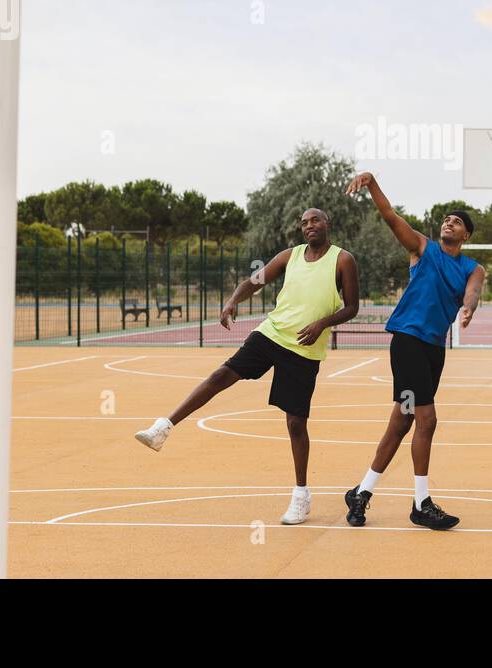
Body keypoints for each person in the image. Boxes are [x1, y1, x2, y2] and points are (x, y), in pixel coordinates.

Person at [133, 208, 359, 525]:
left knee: (295, 423)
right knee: (221, 374)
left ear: (328, 224)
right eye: (304, 222)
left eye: (315, 220)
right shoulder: (290, 256)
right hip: (273, 332)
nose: (309, 226)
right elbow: (255, 280)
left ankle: (301, 495)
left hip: (304, 347)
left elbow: (352, 306)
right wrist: (232, 301)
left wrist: (323, 323)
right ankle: (163, 428)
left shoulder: (342, 259)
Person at [341, 172, 485, 530]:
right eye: (446, 219)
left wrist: (468, 307)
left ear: (465, 235)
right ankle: (421, 503)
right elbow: (390, 215)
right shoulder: (423, 247)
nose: (449, 223)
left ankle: (361, 492)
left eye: (457, 222)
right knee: (428, 420)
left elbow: (473, 291)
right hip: (407, 343)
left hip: (434, 350)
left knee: (402, 421)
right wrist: (372, 183)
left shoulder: (472, 268)